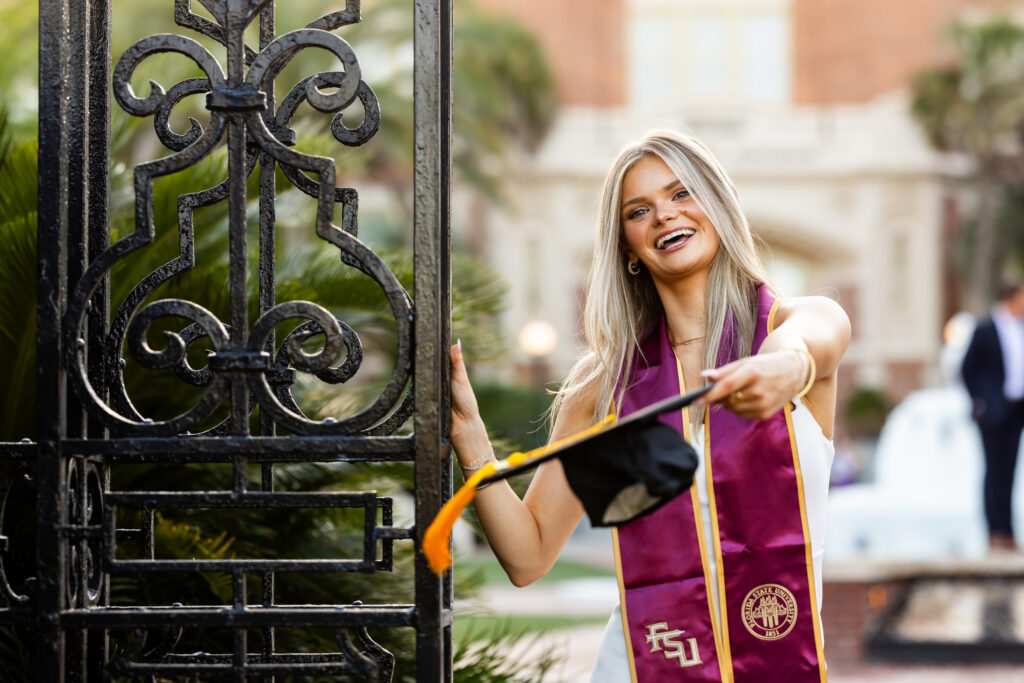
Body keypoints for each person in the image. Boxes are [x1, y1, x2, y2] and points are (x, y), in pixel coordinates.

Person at [449, 131, 850, 681]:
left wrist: (782, 369)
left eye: (682, 194)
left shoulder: (796, 324)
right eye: (640, 211)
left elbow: (810, 344)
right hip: (644, 665)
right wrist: (469, 434)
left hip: (779, 658)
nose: (664, 216)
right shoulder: (606, 385)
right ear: (628, 248)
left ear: (719, 207)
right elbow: (529, 554)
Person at [961, 283, 1024, 552]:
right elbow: (967, 369)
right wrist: (982, 402)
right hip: (993, 413)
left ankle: (1008, 532)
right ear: (1012, 298)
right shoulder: (985, 329)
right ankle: (994, 533)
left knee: (1009, 473)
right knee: (993, 473)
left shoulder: (1021, 329)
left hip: (1016, 410)